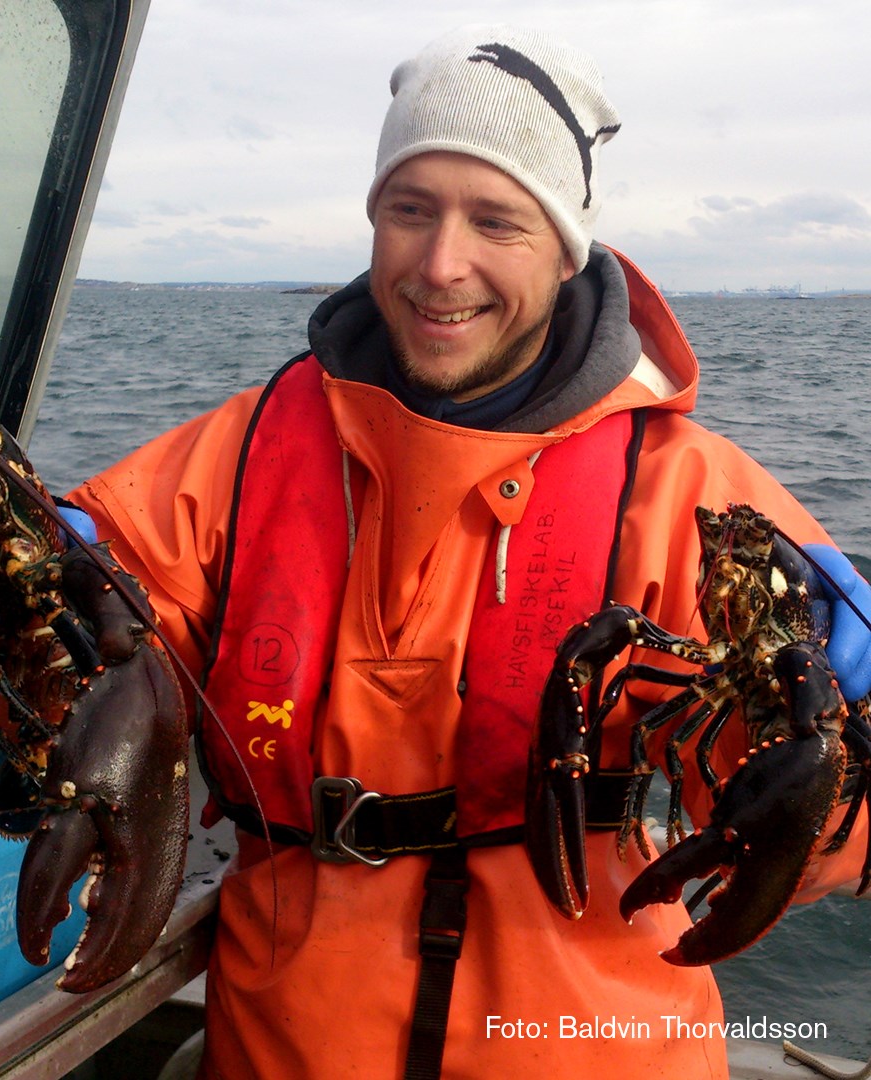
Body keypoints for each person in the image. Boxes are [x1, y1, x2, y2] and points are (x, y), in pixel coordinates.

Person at [67, 26, 871, 1079]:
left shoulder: (694, 497)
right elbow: (57, 691)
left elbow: (814, 854)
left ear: (566, 245)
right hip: (282, 1050)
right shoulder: (238, 451)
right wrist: (25, 602)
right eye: (410, 211)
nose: (442, 265)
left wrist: (847, 743)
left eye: (496, 220)